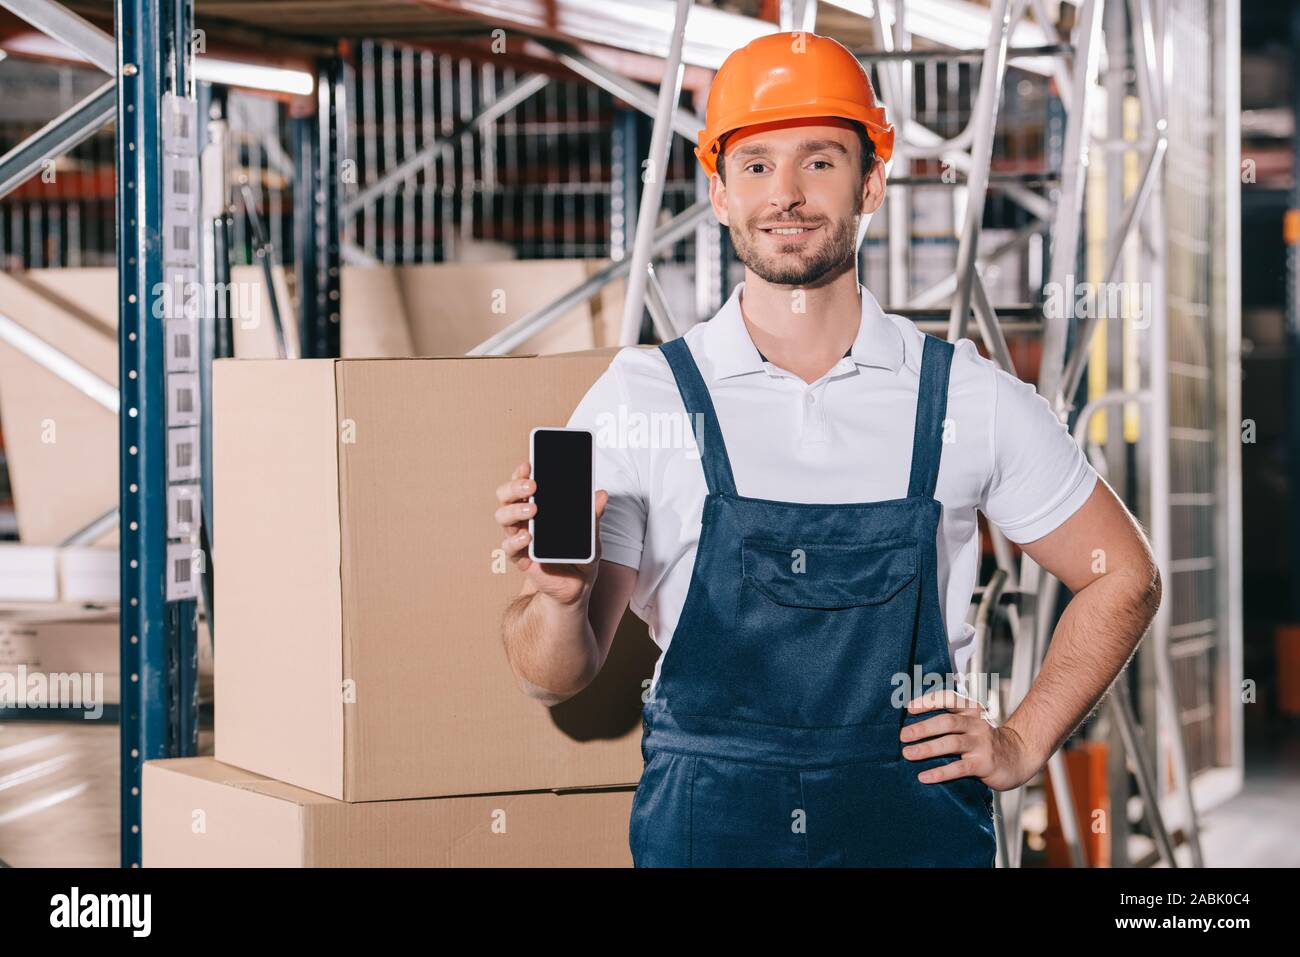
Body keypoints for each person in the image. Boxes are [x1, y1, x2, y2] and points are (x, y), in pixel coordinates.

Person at [494, 32, 1161, 867]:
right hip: (710, 835)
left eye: (819, 161)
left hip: (913, 832)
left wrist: (1023, 742)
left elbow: (1123, 573)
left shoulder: (963, 397)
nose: (786, 193)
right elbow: (551, 678)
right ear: (722, 194)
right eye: (757, 164)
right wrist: (558, 600)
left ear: (871, 181)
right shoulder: (643, 399)